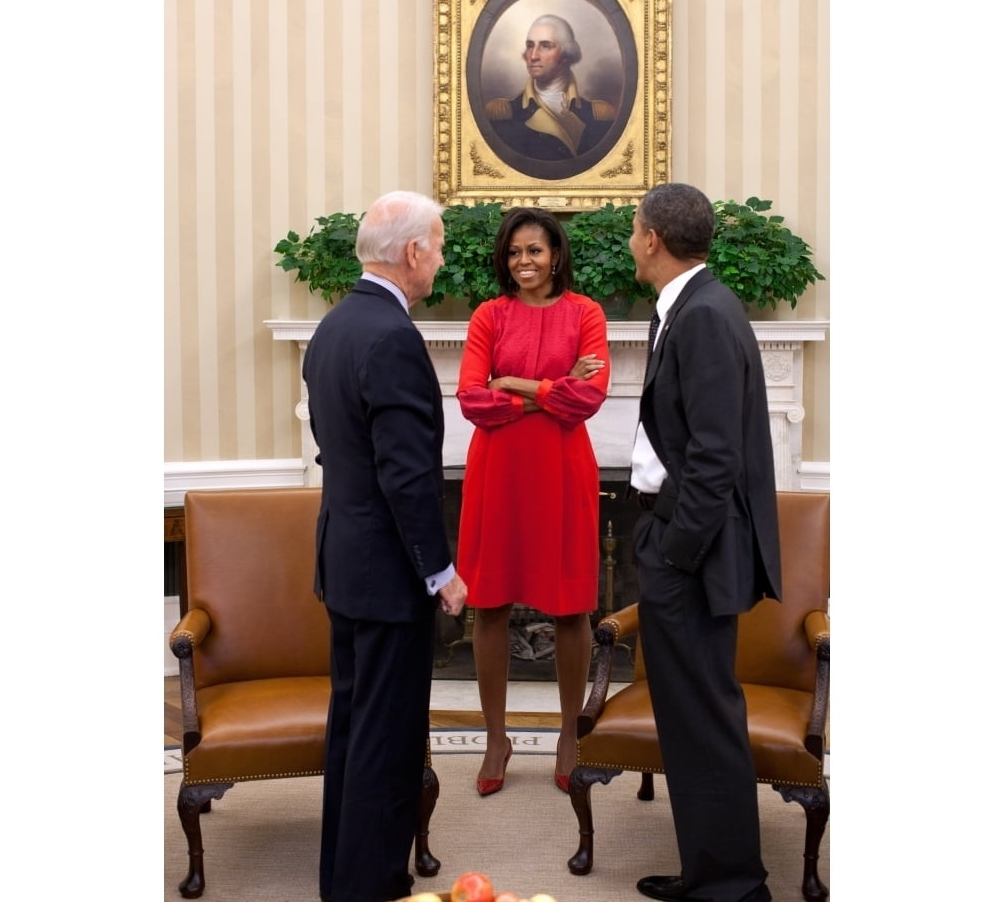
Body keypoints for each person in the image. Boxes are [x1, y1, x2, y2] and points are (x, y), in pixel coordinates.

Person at [302, 190, 468, 902]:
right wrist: (442, 573)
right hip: (389, 574)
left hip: (345, 564)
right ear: (412, 253)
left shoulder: (334, 326)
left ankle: (343, 880)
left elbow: (339, 452)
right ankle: (369, 889)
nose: (442, 257)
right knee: (388, 742)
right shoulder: (393, 337)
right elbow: (406, 478)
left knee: (352, 731)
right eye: (437, 243)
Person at [626, 183, 782, 902]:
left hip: (693, 554)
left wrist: (672, 553)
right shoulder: (690, 308)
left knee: (705, 721)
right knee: (689, 722)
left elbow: (717, 458)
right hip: (680, 543)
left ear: (653, 238)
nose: (632, 241)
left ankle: (731, 885)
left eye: (634, 230)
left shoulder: (706, 316)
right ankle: (710, 873)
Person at [455, 206, 610, 795]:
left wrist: (515, 384)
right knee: (489, 604)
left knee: (570, 607)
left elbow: (588, 399)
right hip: (498, 473)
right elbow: (472, 399)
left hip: (563, 472)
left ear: (556, 256)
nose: (525, 261)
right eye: (516, 251)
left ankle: (570, 735)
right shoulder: (489, 315)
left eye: (536, 251)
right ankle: (498, 737)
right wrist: (554, 388)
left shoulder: (585, 313)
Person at [485, 14, 617, 160]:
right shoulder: (503, 115)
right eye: (530, 46)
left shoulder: (598, 115)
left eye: (545, 46)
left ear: (566, 54)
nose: (533, 56)